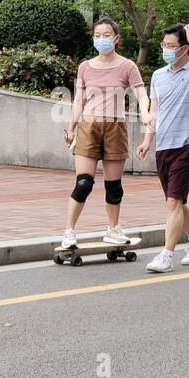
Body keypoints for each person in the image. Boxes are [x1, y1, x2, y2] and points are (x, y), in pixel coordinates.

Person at [61, 17, 150, 250]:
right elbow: (78, 99)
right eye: (97, 35)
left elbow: (140, 93)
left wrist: (146, 113)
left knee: (114, 185)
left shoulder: (128, 66)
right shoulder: (85, 67)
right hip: (89, 126)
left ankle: (113, 229)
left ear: (116, 38)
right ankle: (69, 231)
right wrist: (71, 127)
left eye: (107, 35)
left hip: (115, 127)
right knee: (83, 183)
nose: (102, 39)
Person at [137, 23, 189, 273]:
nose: (166, 50)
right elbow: (155, 111)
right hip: (163, 145)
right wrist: (148, 139)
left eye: (171, 46)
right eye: (164, 45)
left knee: (173, 201)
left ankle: (167, 255)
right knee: (176, 201)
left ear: (184, 49)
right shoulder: (158, 75)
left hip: (188, 143)